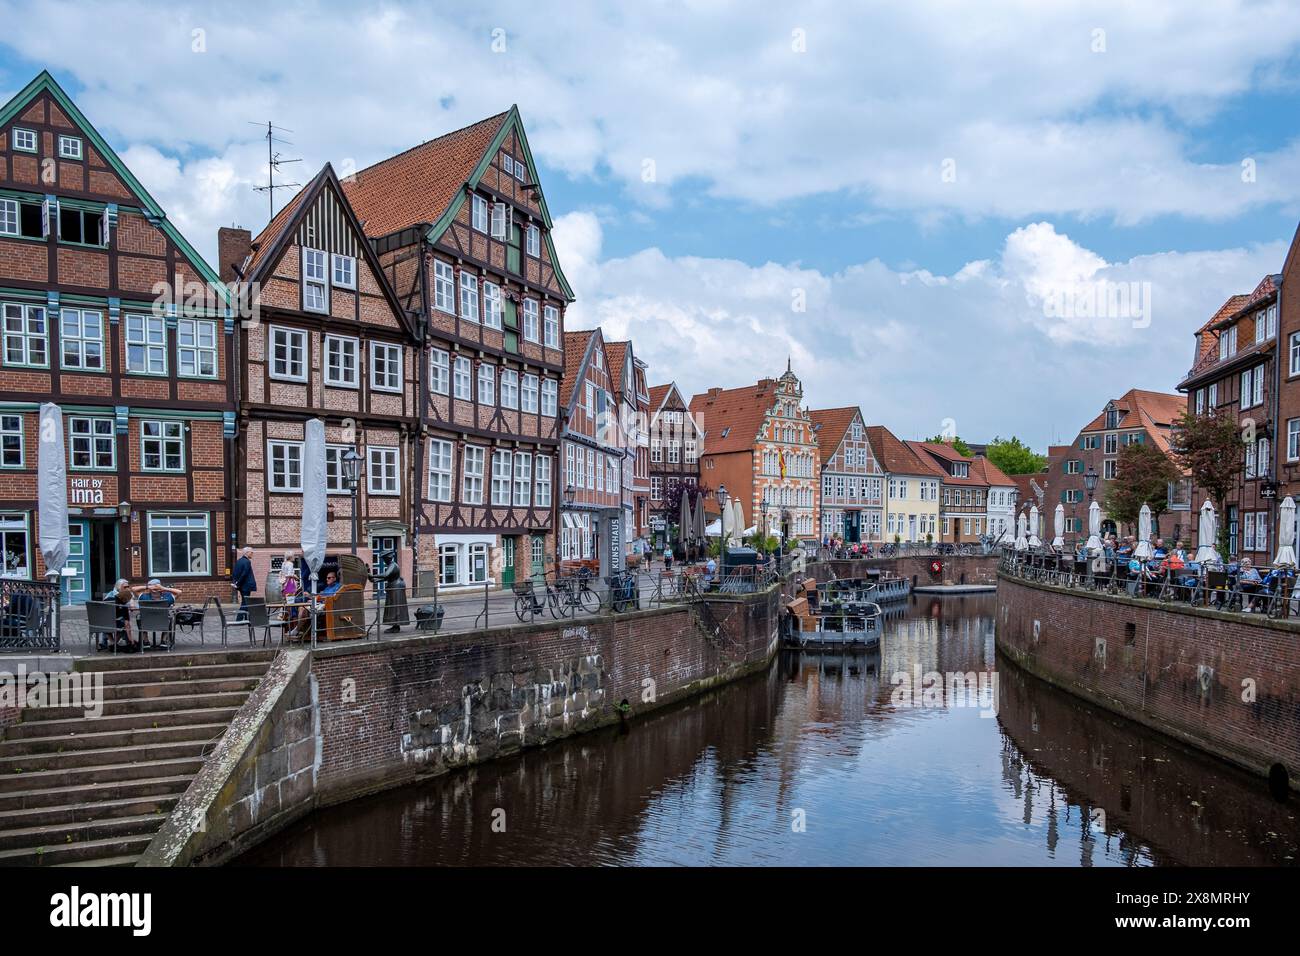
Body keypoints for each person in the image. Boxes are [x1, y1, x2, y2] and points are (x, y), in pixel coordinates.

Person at [134, 578, 181, 649]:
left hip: (146, 623)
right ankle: (164, 640)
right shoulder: (167, 597)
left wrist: (147, 587)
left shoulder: (144, 597)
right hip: (162, 623)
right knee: (168, 617)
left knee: (139, 617)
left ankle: (145, 640)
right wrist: (164, 588)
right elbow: (179, 592)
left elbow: (133, 589)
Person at [376, 550, 410, 633]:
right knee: (393, 606)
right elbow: (386, 578)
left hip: (396, 587)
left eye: (384, 559)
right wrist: (375, 580)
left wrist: (373, 575)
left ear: (388, 558)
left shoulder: (393, 565)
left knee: (395, 606)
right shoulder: (391, 565)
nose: (383, 561)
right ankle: (395, 625)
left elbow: (386, 575)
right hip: (394, 587)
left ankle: (396, 626)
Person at [103, 578, 139, 652]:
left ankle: (114, 644)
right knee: (124, 625)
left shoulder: (127, 595)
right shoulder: (111, 595)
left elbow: (134, 606)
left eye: (128, 586)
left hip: (113, 620)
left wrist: (131, 600)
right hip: (109, 620)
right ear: (118, 587)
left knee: (124, 623)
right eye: (125, 587)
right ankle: (116, 644)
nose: (127, 588)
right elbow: (105, 608)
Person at [231, 546, 257, 619]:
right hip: (246, 586)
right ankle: (239, 619)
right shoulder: (247, 562)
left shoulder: (239, 561)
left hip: (242, 586)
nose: (252, 554)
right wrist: (237, 583)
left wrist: (236, 583)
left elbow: (235, 573)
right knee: (245, 603)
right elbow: (244, 574)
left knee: (245, 601)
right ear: (247, 553)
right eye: (251, 552)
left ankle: (246, 618)